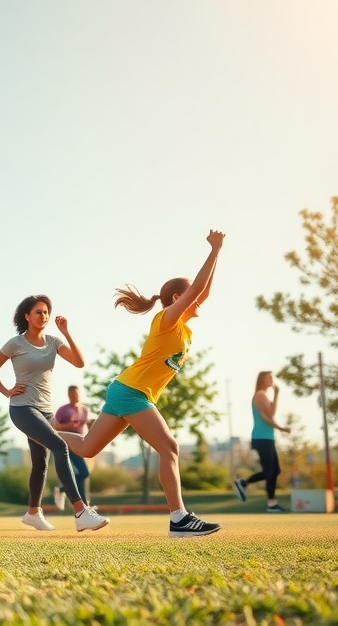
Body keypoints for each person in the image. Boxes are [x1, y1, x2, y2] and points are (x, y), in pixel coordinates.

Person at [60, 230, 226, 538]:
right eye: (191, 295)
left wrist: (216, 256)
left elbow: (201, 292)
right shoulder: (167, 320)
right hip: (133, 393)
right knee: (170, 448)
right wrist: (214, 251)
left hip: (126, 389)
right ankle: (179, 519)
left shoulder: (183, 329)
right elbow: (198, 291)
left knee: (86, 448)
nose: (200, 299)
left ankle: (44, 431)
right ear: (178, 299)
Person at [0, 296, 109, 533]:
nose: (43, 316)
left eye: (46, 313)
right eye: (38, 312)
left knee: (40, 463)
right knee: (60, 447)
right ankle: (81, 511)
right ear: (27, 316)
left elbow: (79, 362)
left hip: (45, 410)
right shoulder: (15, 344)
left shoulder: (53, 341)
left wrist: (67, 332)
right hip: (22, 409)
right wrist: (7, 392)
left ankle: (33, 513)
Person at [234, 371, 291, 512]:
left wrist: (275, 396)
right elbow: (269, 416)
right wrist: (281, 428)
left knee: (274, 471)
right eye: (269, 377)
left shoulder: (263, 395)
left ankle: (272, 504)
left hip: (268, 438)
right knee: (269, 471)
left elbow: (271, 414)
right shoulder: (259, 395)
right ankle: (243, 482)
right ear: (262, 380)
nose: (272, 379)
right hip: (261, 438)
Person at [52, 386, 93, 510]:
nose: (74, 395)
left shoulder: (84, 409)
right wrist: (69, 425)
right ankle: (84, 505)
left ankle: (63, 489)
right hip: (67, 444)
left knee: (82, 474)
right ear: (68, 394)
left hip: (81, 444)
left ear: (79, 394)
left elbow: (85, 426)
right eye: (71, 393)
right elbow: (55, 426)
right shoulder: (63, 410)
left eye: (76, 393)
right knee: (83, 473)